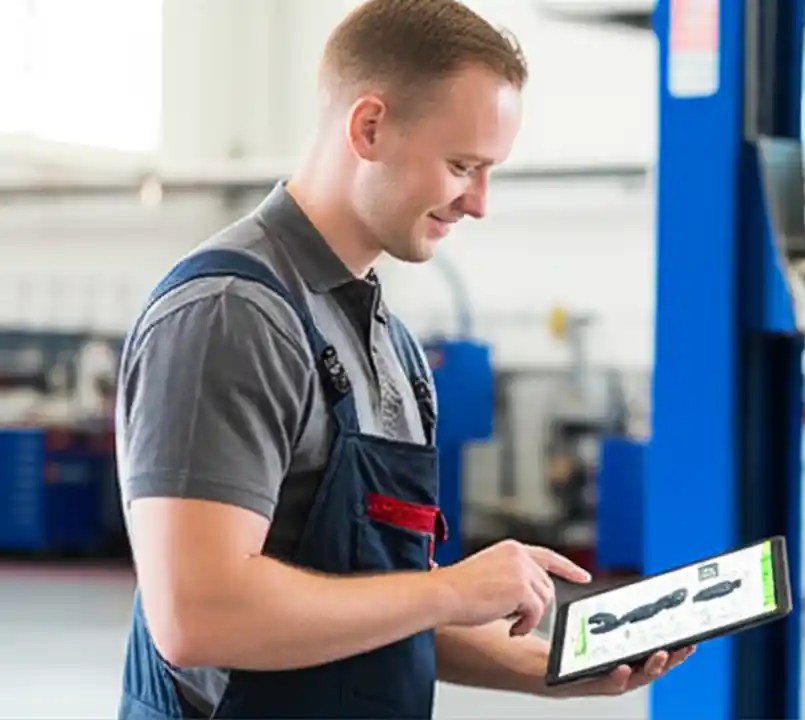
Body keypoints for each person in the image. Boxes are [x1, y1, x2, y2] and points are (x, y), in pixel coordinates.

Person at [115, 1, 692, 717]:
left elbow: (371, 608)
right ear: (369, 127)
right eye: (461, 166)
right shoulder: (231, 314)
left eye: (489, 172)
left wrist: (552, 663)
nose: (477, 203)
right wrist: (452, 589)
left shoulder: (393, 347)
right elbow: (198, 616)